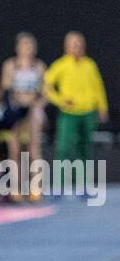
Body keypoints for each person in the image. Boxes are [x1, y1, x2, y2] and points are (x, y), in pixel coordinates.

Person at [43, 33, 108, 182]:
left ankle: (84, 183)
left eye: (79, 44)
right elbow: (46, 86)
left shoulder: (90, 65)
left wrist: (102, 107)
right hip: (69, 114)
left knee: (86, 148)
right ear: (66, 46)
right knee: (64, 148)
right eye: (73, 44)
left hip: (88, 113)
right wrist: (60, 100)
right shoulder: (60, 65)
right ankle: (59, 184)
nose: (77, 47)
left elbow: (98, 87)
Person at [1, 31, 46, 171]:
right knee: (15, 151)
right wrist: (18, 101)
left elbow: (46, 92)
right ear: (17, 48)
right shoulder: (10, 65)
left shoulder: (39, 66)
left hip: (33, 110)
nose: (27, 50)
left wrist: (36, 104)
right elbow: (6, 88)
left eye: (30, 46)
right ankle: (16, 188)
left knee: (34, 150)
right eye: (24, 46)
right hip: (16, 111)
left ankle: (35, 189)